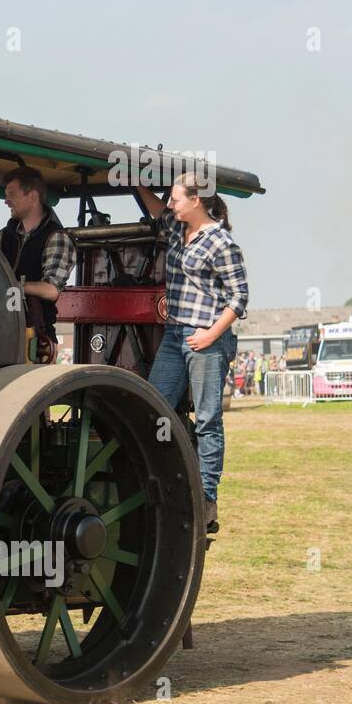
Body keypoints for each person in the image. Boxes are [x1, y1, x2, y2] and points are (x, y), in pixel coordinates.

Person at [136, 172, 248, 532]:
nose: (170, 203)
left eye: (176, 198)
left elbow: (239, 298)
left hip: (207, 339)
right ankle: (168, 482)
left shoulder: (220, 241)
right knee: (152, 407)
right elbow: (156, 211)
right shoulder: (176, 229)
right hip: (175, 335)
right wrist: (135, 182)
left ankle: (205, 499)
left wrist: (211, 334)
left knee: (208, 419)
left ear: (197, 200)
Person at [0, 166, 76, 363]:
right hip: (1, 332)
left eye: (12, 194)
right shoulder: (3, 236)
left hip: (35, 337)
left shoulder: (56, 237)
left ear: (32, 196)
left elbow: (50, 289)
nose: (6, 201)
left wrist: (12, 285)